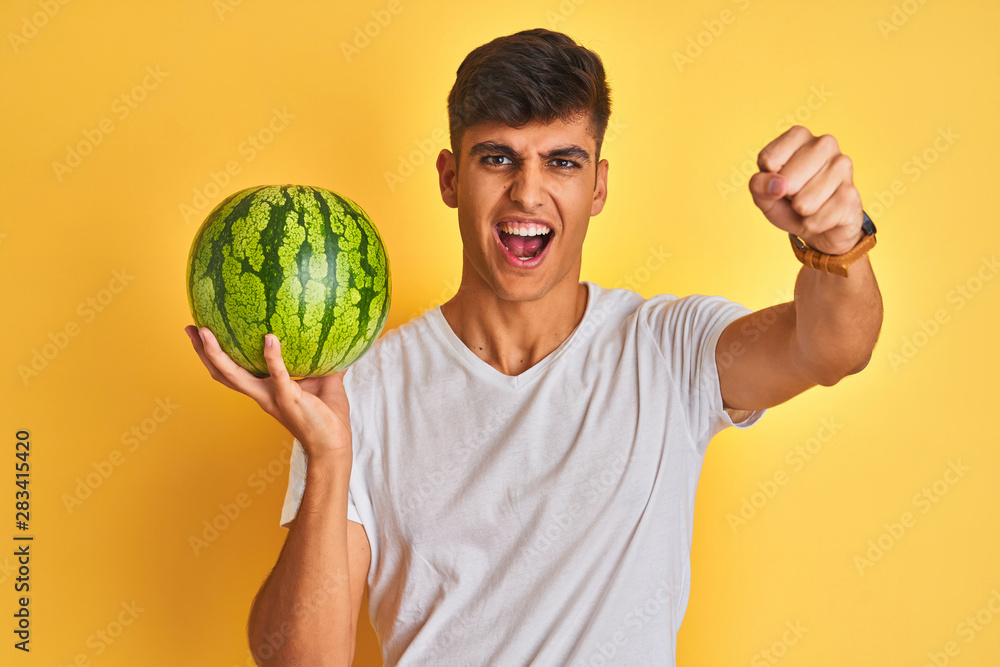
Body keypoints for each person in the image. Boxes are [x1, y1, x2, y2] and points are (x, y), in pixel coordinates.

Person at [185, 28, 882, 667]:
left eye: (562, 161)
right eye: (497, 158)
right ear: (451, 178)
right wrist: (328, 455)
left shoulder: (667, 350)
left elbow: (830, 347)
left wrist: (838, 242)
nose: (528, 191)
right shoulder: (358, 388)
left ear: (598, 185)